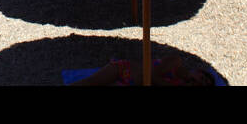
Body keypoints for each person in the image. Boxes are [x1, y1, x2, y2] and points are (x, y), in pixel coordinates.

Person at [71, 54, 217, 86]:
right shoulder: (176, 62)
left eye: (203, 84)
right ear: (198, 71)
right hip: (125, 70)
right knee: (89, 83)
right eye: (203, 78)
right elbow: (151, 75)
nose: (200, 82)